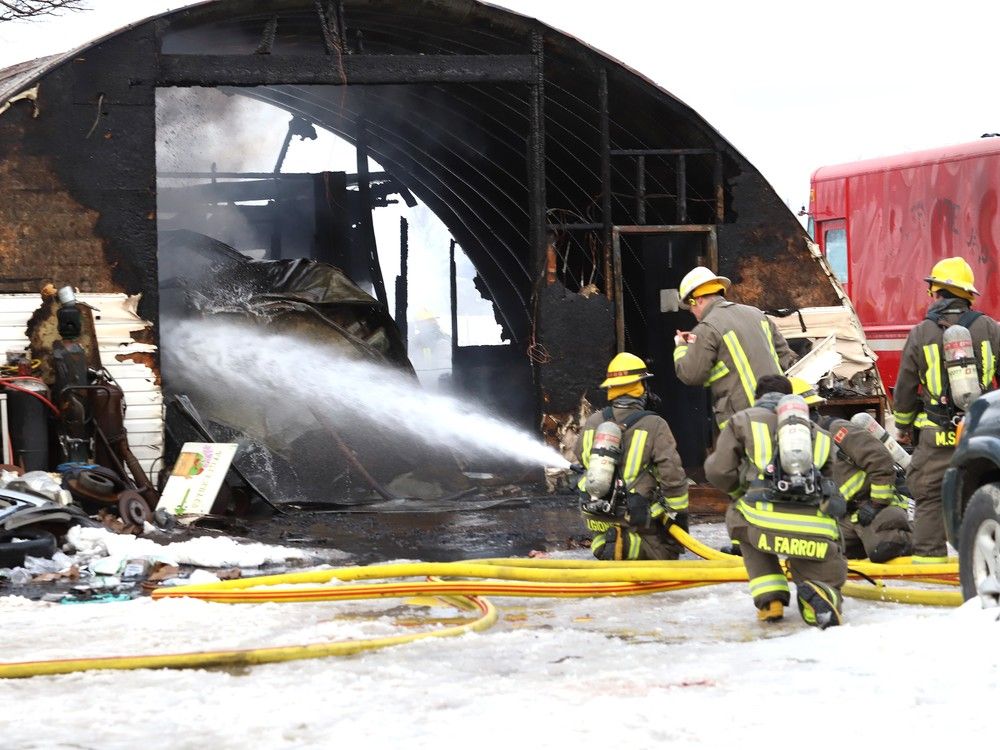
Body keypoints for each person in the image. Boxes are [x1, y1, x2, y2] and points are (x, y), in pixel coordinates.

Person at [705, 374, 847, 628]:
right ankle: (821, 591)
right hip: (814, 527)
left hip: (762, 521)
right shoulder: (821, 435)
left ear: (758, 397)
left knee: (740, 516)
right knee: (824, 570)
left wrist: (741, 492)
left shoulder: (742, 420)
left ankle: (770, 600)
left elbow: (718, 471)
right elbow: (829, 483)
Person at [893, 257, 1000, 563]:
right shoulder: (990, 328)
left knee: (928, 492)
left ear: (936, 293)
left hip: (936, 432)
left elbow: (905, 387)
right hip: (979, 429)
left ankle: (929, 558)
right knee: (985, 486)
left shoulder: (921, 332)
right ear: (968, 295)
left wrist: (903, 425)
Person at [574, 352, 690, 560]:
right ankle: (630, 548)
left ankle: (609, 545)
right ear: (640, 387)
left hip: (600, 522)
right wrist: (678, 517)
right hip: (639, 522)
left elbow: (582, 457)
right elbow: (672, 475)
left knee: (611, 539)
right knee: (668, 552)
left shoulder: (593, 421)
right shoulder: (655, 424)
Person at [673, 266, 797, 431]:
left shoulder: (706, 328)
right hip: (780, 411)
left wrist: (681, 347)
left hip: (744, 421)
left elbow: (691, 375)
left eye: (691, 307)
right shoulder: (757, 314)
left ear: (698, 300)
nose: (693, 313)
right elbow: (786, 357)